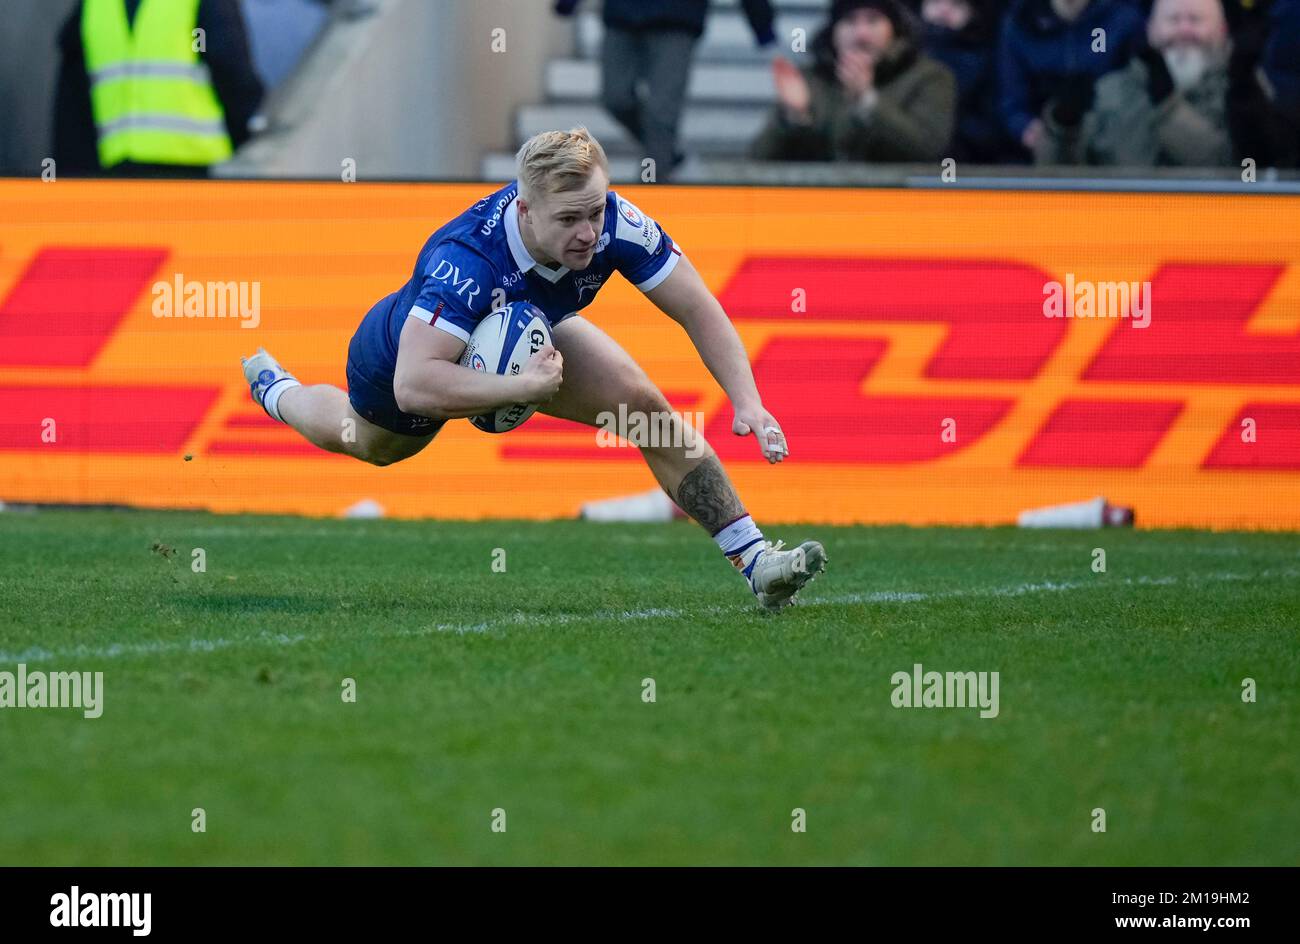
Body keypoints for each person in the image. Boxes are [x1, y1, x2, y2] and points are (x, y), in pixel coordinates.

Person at [241, 128, 829, 610]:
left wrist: (747, 398)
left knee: (645, 412)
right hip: (403, 354)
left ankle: (757, 562)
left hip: (529, 328)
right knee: (373, 444)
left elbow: (697, 305)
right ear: (524, 210)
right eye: (570, 219)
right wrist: (522, 387)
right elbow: (415, 384)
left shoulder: (615, 222)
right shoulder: (468, 259)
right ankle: (279, 391)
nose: (589, 233)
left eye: (596, 211)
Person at [555, 0, 777, 181]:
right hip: (622, 15)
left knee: (661, 113)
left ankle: (652, 185)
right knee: (616, 98)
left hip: (677, 17)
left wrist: (761, 23)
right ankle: (667, 153)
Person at [53, 0, 264, 177]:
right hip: (195, 170)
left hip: (119, 174)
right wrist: (251, 139)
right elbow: (232, 75)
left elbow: (74, 106)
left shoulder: (94, 7)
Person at [751, 0, 956, 162]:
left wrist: (868, 101)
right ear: (833, 32)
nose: (861, 34)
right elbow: (759, 159)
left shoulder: (930, 77)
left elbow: (929, 151)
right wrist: (795, 116)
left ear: (894, 30)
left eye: (873, 20)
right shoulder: (811, 78)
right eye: (850, 21)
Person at [1038, 0, 1235, 165]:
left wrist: (1169, 108)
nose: (1183, 30)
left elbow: (1231, 164)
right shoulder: (1112, 91)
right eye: (1173, 20)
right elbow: (1055, 177)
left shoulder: (1240, 93)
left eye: (1195, 20)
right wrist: (1061, 130)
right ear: (1150, 29)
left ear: (1222, 30)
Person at [999, 0, 1144, 159]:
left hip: (1109, 130)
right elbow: (1012, 103)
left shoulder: (1121, 16)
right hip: (1050, 133)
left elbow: (1137, 83)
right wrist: (1025, 127)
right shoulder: (1020, 22)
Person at [918, 0, 1015, 161]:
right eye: (935, 2)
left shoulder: (989, 62)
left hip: (968, 163)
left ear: (972, 13)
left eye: (956, 4)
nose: (943, 11)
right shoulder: (905, 58)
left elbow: (995, 127)